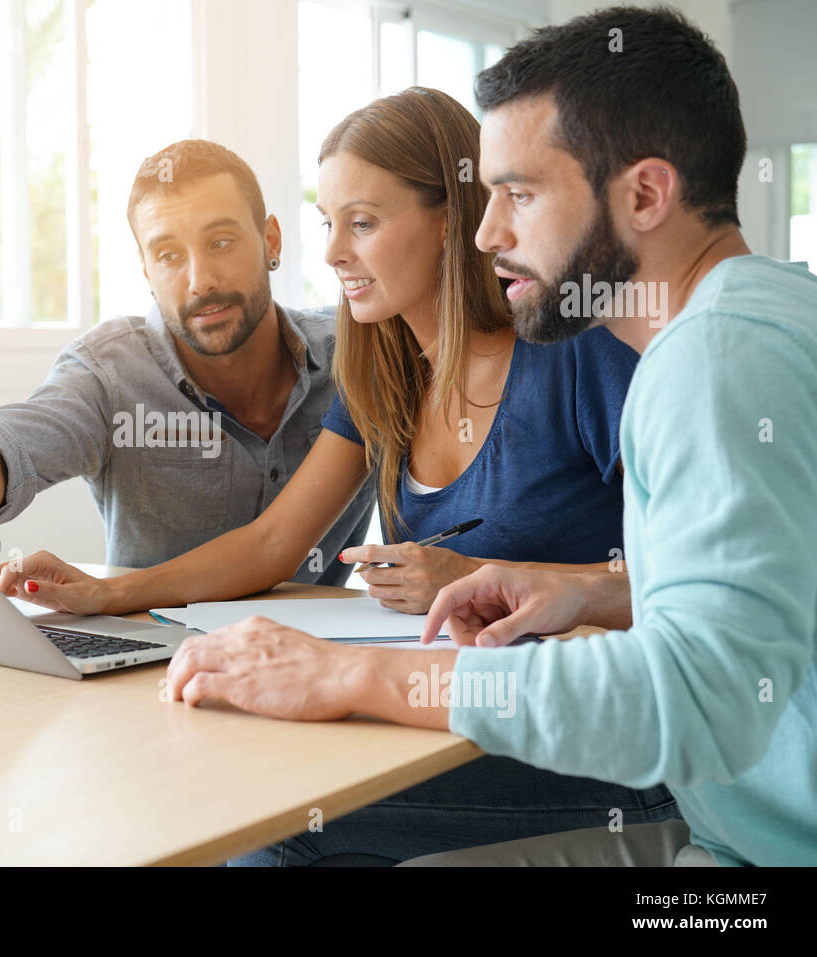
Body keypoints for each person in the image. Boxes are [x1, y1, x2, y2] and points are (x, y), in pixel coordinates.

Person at [164, 5, 817, 866]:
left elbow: (693, 702)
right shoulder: (764, 314)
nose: (487, 233)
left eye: (519, 194)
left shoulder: (711, 360)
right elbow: (746, 608)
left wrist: (352, 673)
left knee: (280, 830)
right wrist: (580, 591)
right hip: (738, 836)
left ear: (646, 194)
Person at [0, 87, 678, 865]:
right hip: (459, 716)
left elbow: (687, 585)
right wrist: (105, 592)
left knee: (275, 823)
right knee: (224, 764)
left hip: (605, 742)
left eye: (363, 222)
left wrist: (490, 574)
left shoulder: (578, 355)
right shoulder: (382, 370)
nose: (331, 254)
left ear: (452, 219)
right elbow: (274, 540)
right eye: (327, 224)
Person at [0, 140, 376, 586]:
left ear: (270, 240)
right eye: (168, 255)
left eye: (221, 241)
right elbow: (14, 441)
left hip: (321, 659)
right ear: (145, 268)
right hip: (156, 664)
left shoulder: (358, 357)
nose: (200, 280)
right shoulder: (110, 373)